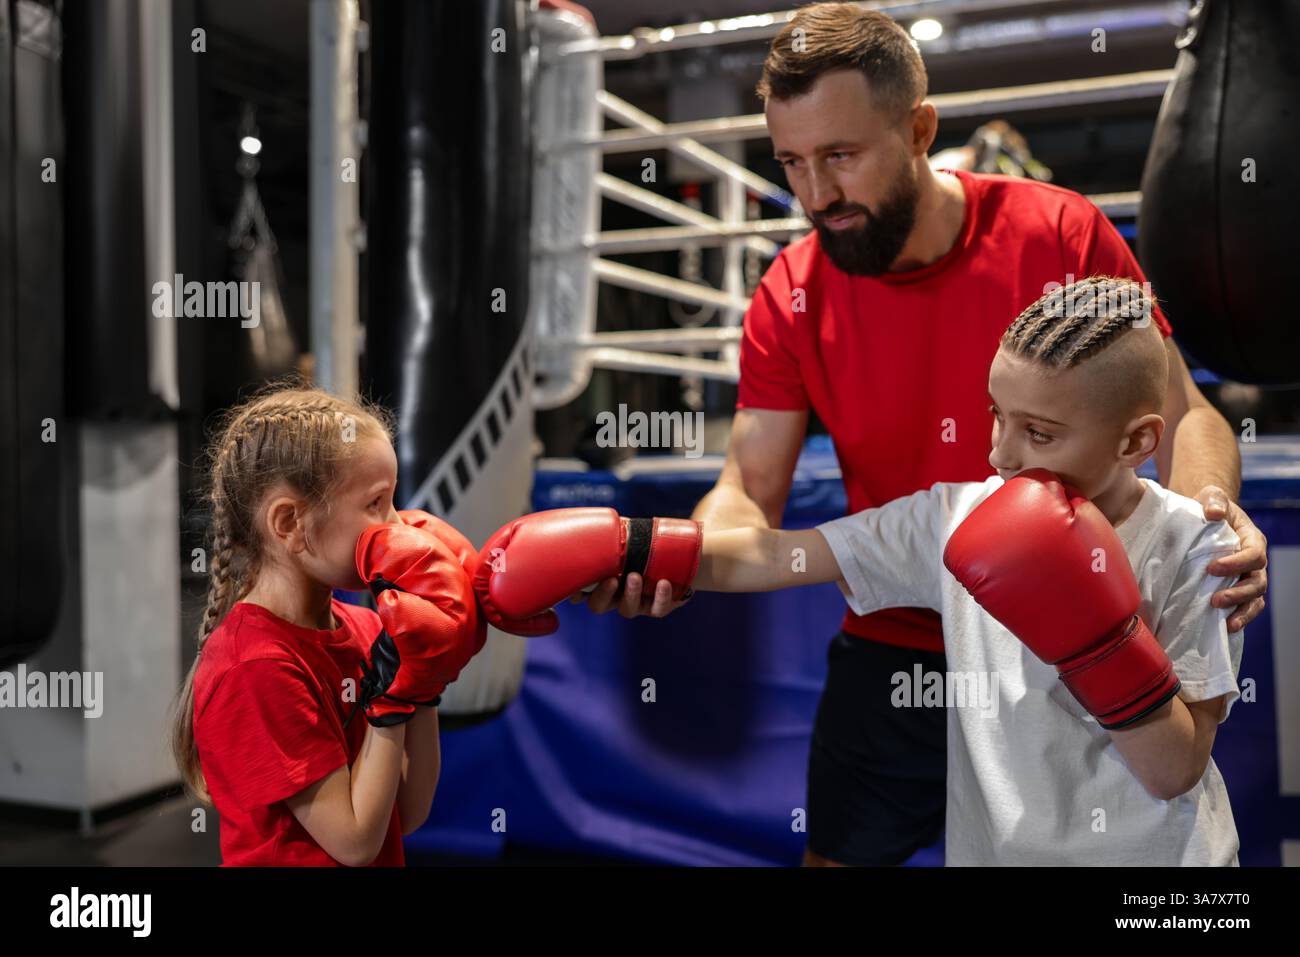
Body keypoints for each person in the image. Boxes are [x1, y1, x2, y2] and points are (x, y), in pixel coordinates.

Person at [575, 2, 1267, 867]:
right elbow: (750, 490)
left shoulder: (1055, 232)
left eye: (840, 156)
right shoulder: (790, 291)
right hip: (896, 634)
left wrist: (1209, 522)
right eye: (791, 162)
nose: (816, 195)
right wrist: (674, 560)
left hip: (1079, 635)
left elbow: (1181, 413)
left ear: (919, 129)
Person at [494, 277, 1240, 864]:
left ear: (1138, 440)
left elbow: (1174, 767)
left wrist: (1094, 632)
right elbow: (782, 555)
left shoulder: (1193, 547)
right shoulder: (960, 517)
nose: (1001, 454)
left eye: (1039, 432)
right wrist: (627, 546)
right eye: (995, 415)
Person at [169, 385, 485, 866]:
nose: (398, 524)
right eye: (376, 503)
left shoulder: (363, 627)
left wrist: (424, 679)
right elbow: (355, 843)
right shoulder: (255, 667)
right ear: (290, 522)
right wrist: (393, 700)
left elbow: (407, 812)